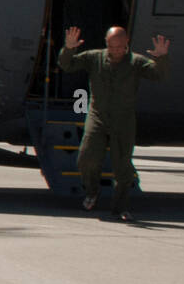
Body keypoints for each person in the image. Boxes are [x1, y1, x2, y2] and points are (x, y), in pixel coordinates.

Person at [58, 25, 170, 221]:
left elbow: (158, 75)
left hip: (123, 120)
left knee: (123, 167)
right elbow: (67, 65)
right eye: (112, 46)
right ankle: (92, 192)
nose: (116, 50)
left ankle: (120, 207)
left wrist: (161, 57)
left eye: (120, 46)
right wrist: (69, 48)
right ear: (106, 43)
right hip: (98, 116)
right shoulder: (94, 58)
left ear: (126, 43)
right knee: (86, 157)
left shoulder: (135, 62)